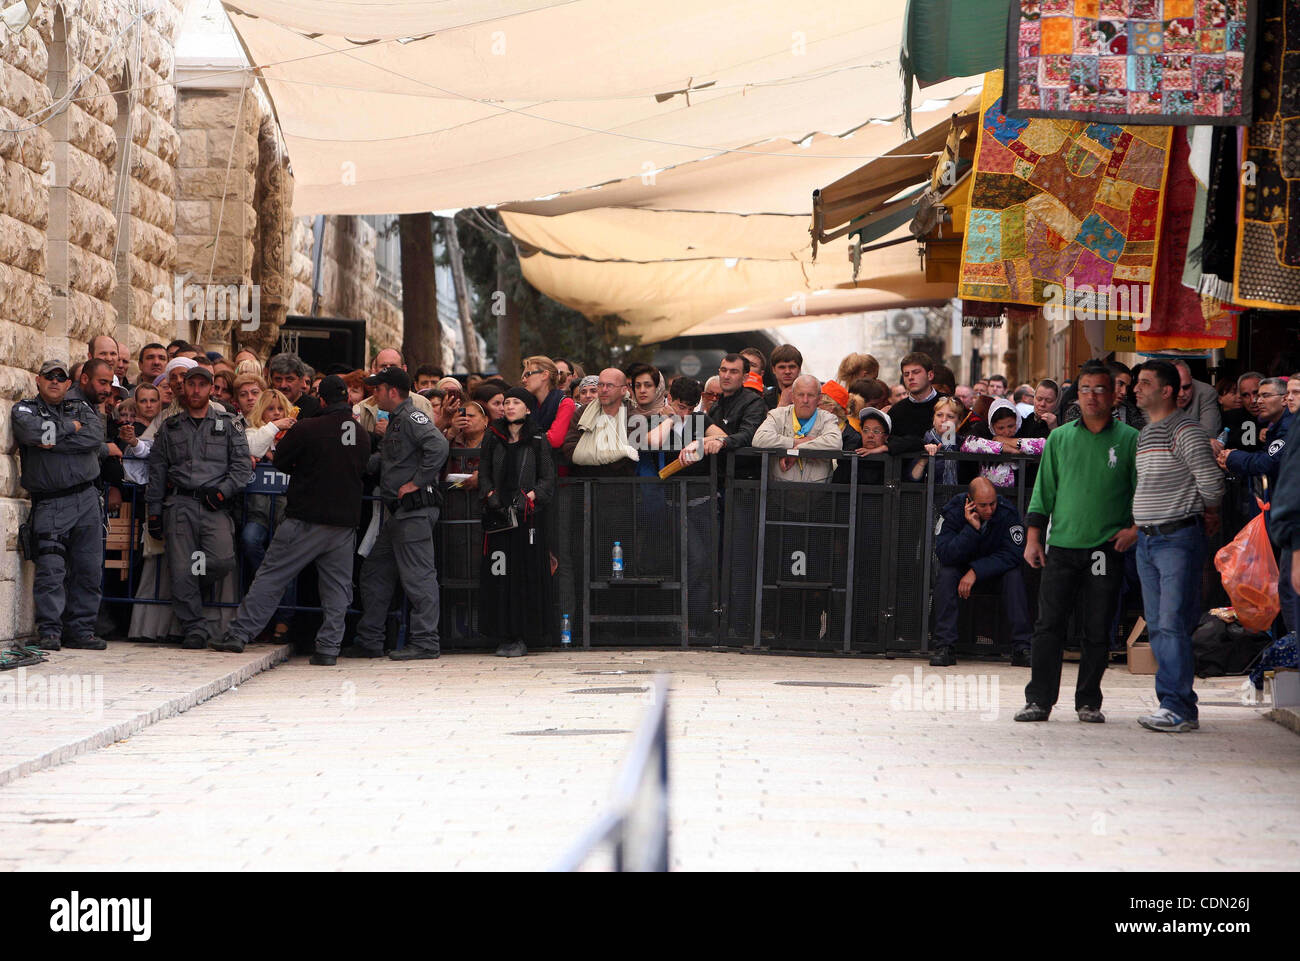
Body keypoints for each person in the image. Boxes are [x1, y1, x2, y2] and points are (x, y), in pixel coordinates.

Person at [209, 377, 369, 663]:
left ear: (321, 399)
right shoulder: (361, 433)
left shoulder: (308, 428)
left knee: (272, 576)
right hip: (344, 522)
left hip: (305, 518)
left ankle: (238, 634)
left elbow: (282, 460)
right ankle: (329, 649)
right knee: (337, 588)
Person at [1014, 361, 1137, 724]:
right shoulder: (1060, 437)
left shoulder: (1130, 439)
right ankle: (1038, 699)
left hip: (1106, 547)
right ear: (1077, 394)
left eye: (1100, 389)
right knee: (1048, 625)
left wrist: (1134, 528)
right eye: (1085, 389)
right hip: (1063, 545)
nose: (1092, 396)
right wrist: (1033, 536)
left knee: (1097, 628)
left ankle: (1088, 701)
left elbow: (1141, 490)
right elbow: (1044, 490)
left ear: (1114, 394)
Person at [1129, 360, 1224, 733]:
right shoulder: (1146, 433)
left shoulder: (1186, 431)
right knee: (1159, 624)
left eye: (1145, 383)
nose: (1136, 388)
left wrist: (1202, 511)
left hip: (1176, 539)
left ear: (1166, 391)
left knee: (1170, 624)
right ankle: (1173, 704)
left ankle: (1178, 707)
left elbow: (1212, 484)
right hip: (1148, 542)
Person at [146, 366, 253, 649]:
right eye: (190, 384)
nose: (195, 390)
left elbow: (242, 467)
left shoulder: (231, 423)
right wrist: (154, 512)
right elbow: (157, 472)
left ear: (210, 389)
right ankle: (194, 627)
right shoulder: (170, 427)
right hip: (179, 505)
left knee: (221, 560)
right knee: (181, 569)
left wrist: (222, 492)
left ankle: (192, 591)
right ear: (183, 388)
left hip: (215, 505)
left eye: (201, 385)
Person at [346, 367, 448, 661]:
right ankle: (370, 639)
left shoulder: (412, 417)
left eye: (378, 389)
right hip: (399, 516)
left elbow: (438, 445)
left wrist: (416, 483)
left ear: (392, 391)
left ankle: (426, 642)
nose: (374, 394)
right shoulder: (395, 421)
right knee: (375, 571)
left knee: (418, 578)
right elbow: (393, 460)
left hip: (413, 512)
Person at [11, 359, 111, 651]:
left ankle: (81, 630)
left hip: (87, 500)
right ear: (38, 380)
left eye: (61, 377)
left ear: (69, 384)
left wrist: (52, 439)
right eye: (49, 376)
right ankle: (50, 632)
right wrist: (70, 428)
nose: (55, 381)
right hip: (51, 502)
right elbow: (31, 434)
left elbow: (93, 439)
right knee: (51, 571)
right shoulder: (25, 409)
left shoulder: (83, 409)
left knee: (88, 568)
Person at [478, 388, 558, 658]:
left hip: (527, 518)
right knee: (499, 573)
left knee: (526, 574)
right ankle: (503, 633)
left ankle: (524, 634)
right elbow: (484, 472)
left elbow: (547, 478)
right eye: (506, 402)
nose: (509, 407)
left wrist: (530, 497)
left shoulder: (538, 438)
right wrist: (490, 496)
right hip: (499, 517)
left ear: (528, 409)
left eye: (516, 402)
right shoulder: (493, 435)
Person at [1219, 376, 1295, 630]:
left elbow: (1268, 463)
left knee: (1286, 586)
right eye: (1254, 396)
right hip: (1277, 518)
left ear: (1284, 400)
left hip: (1288, 521)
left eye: (1264, 396)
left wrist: (1234, 457)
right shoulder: (1276, 428)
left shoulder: (1289, 428)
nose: (1257, 401)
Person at [931, 477, 1033, 667]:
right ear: (970, 501)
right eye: (983, 505)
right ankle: (944, 647)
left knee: (1014, 576)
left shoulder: (1006, 512)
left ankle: (1022, 648)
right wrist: (971, 530)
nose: (989, 510)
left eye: (992, 503)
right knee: (946, 576)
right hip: (960, 571)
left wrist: (976, 571)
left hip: (993, 573)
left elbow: (1014, 554)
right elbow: (945, 554)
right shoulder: (953, 511)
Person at [752, 375, 842, 483]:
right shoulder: (777, 415)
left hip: (819, 494)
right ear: (793, 397)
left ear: (819, 398)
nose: (805, 400)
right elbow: (759, 439)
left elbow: (835, 442)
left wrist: (797, 449)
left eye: (810, 395)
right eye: (800, 395)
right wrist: (795, 441)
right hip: (780, 493)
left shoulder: (828, 418)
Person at [563, 368, 638, 477]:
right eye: (601, 385)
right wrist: (613, 452)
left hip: (620, 485)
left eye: (610, 385)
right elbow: (571, 451)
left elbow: (626, 457)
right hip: (585, 486)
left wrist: (591, 455)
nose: (604, 389)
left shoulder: (633, 416)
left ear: (623, 390)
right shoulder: (582, 413)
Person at [960, 399, 1045, 489]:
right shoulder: (984, 429)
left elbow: (1043, 445)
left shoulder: (1026, 426)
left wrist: (1006, 440)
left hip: (1023, 491)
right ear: (992, 426)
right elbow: (967, 443)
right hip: (989, 492)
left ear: (1017, 420)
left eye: (1011, 426)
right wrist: (1006, 448)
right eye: (1000, 428)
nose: (1007, 432)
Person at [699, 354, 767, 463]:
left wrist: (723, 441)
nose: (726, 376)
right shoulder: (716, 405)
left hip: (743, 474)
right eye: (723, 370)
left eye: (733, 372)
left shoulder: (754, 402)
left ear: (745, 378)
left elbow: (748, 434)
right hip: (715, 471)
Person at [886, 352, 940, 455]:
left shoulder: (948, 403)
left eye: (916, 372)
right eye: (906, 374)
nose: (910, 377)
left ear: (930, 375)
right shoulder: (896, 411)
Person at [1173, 359, 1222, 435]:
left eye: (1186, 387)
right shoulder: (1153, 394)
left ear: (1191, 379)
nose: (1181, 394)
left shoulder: (1206, 392)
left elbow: (1208, 434)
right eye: (1176, 388)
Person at [267, 353, 321, 420]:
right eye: (278, 379)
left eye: (289, 379)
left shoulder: (313, 406)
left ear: (301, 381)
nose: (283, 385)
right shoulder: (265, 404)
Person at [766, 344, 802, 410]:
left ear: (799, 369)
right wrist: (783, 403)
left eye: (792, 367)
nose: (787, 371)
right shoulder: (765, 398)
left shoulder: (811, 396)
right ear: (773, 370)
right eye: (782, 367)